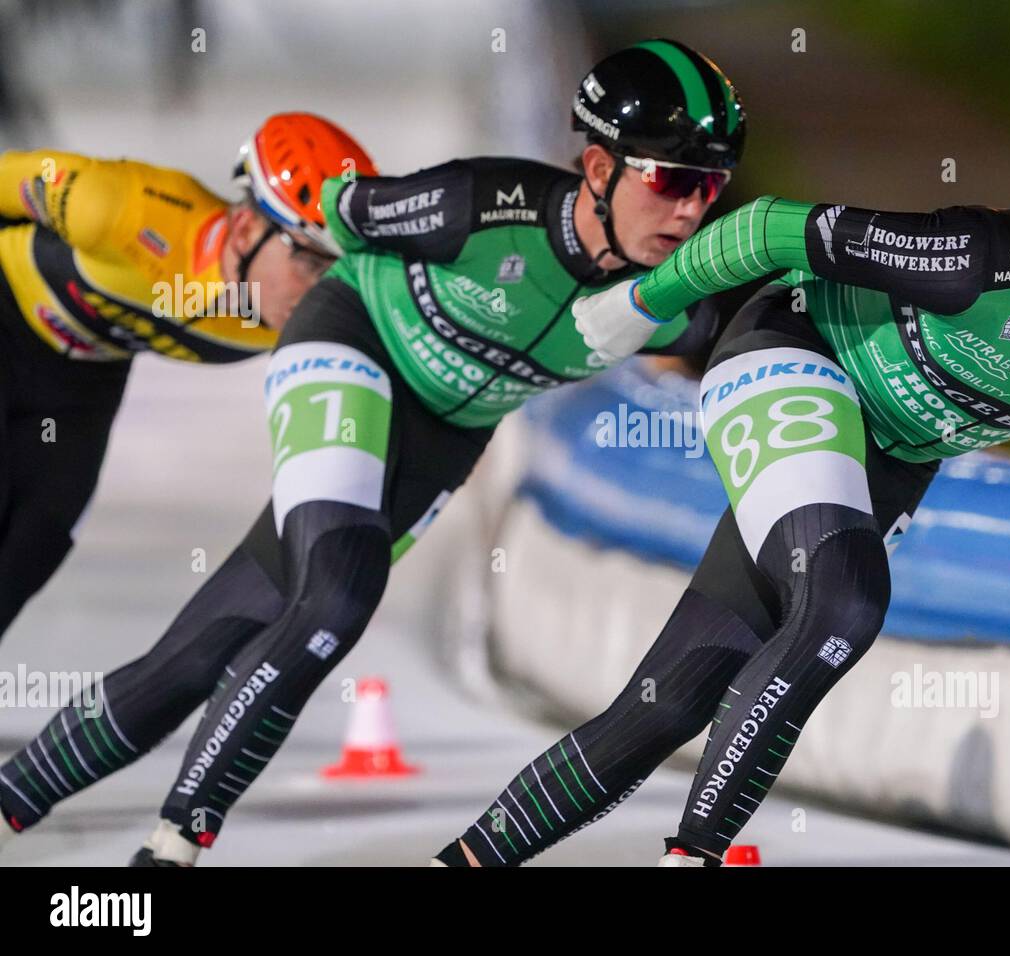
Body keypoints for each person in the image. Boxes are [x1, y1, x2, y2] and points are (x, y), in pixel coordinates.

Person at [0, 39, 746, 865]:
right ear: (600, 169)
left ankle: (14, 796)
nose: (691, 212)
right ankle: (174, 843)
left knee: (202, 651)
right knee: (338, 594)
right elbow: (343, 214)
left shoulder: (683, 303)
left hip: (443, 435)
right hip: (356, 346)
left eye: (710, 186)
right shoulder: (480, 202)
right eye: (673, 180)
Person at [434, 108, 1010, 866]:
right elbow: (761, 229)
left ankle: (465, 859)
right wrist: (636, 307)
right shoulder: (982, 264)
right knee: (844, 601)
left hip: (888, 455)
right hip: (797, 350)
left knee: (668, 702)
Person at [0, 112, 376, 641]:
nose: (325, 291)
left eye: (342, 272)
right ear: (246, 228)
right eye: (311, 262)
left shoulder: (318, 309)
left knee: (34, 542)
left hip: (81, 377)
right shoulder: (118, 208)